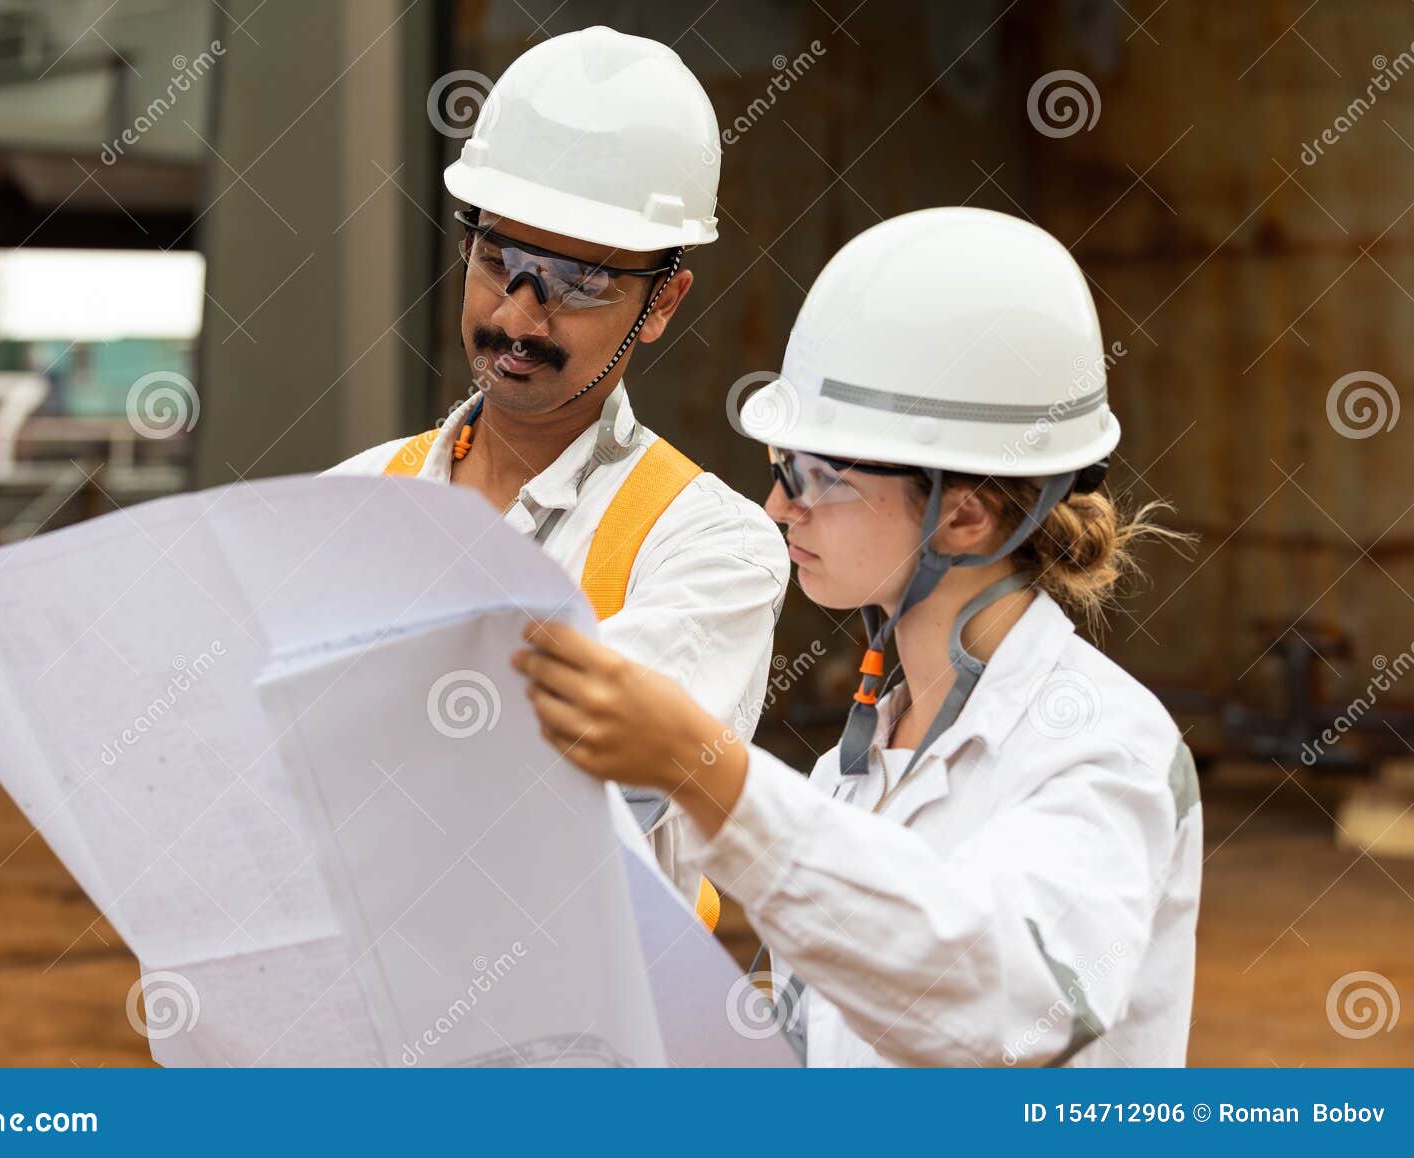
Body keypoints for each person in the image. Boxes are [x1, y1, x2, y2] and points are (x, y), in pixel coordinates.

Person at [512, 207, 1203, 1067]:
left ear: (964, 511)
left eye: (817, 476)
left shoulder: (1104, 744)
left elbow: (1020, 998)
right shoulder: (856, 768)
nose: (777, 507)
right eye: (779, 470)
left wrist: (714, 776)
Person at [327, 27, 786, 895]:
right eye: (501, 261)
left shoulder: (710, 549)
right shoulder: (349, 500)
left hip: (590, 1026)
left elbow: (564, 789)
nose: (521, 320)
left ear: (662, 303)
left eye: (577, 283)